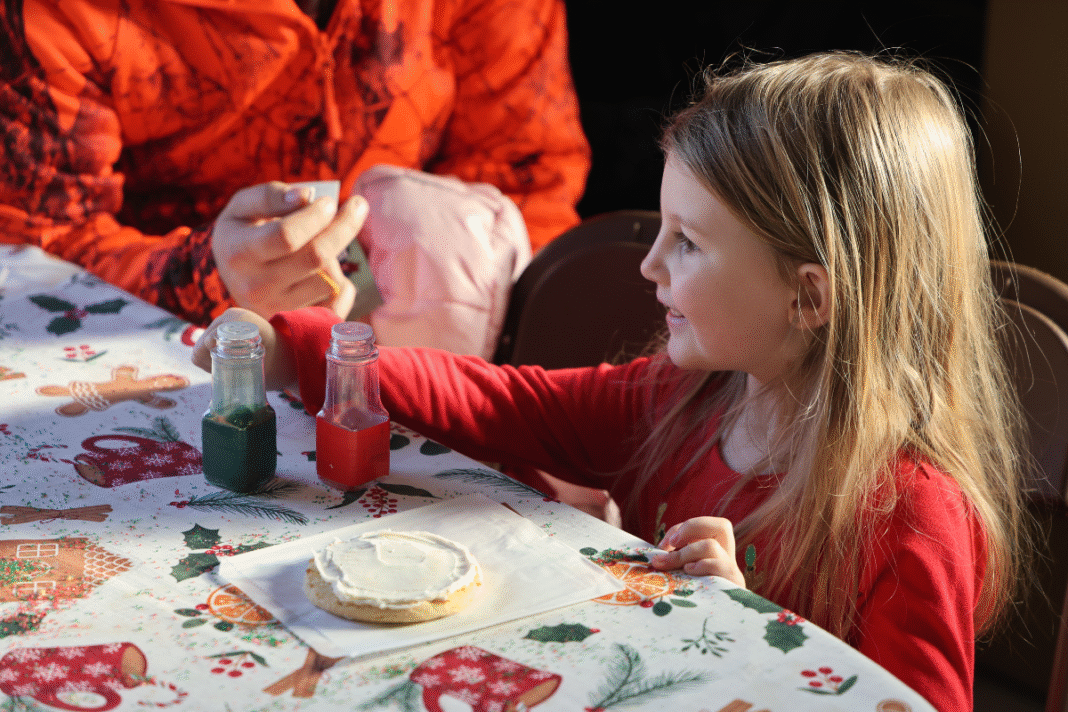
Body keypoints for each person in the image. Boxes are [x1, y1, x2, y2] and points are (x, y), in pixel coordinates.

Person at [192, 52, 1028, 711]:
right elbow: (509, 403)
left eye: (689, 243)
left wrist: (756, 632)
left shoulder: (912, 518)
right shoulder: (689, 396)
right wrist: (303, 353)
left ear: (810, 294)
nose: (652, 266)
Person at [0, 0, 590, 326]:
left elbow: (529, 189)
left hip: (437, 366)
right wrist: (206, 275)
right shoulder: (57, 12)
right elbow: (33, 253)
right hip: (160, 371)